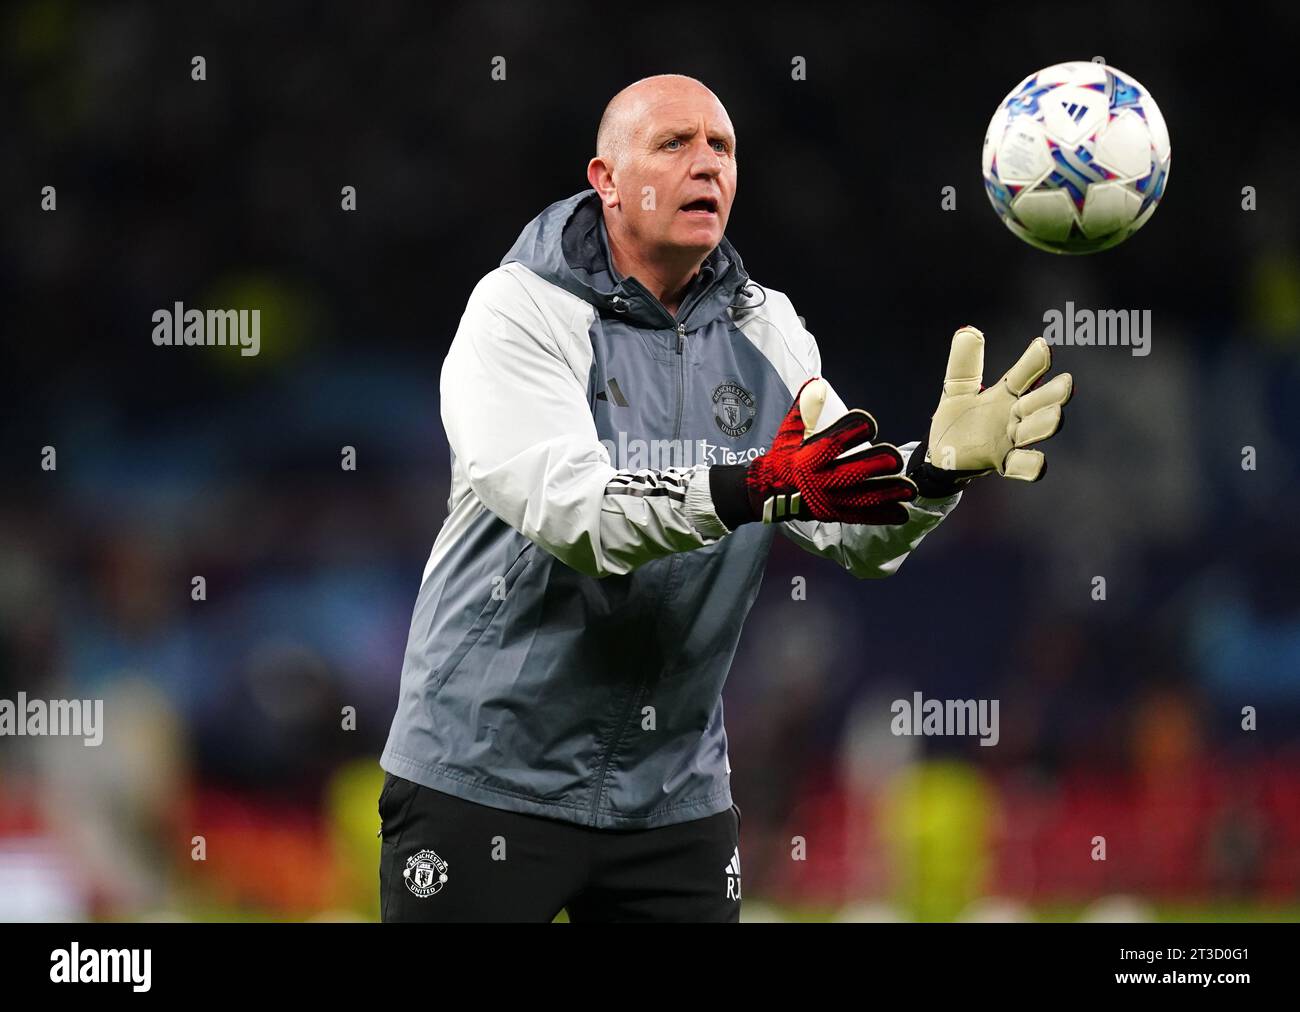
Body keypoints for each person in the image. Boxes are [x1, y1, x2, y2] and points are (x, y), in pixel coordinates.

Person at [378, 74, 1072, 922]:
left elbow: (848, 531)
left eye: (722, 148)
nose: (705, 163)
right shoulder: (519, 312)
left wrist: (935, 474)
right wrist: (755, 487)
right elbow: (577, 515)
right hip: (485, 774)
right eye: (674, 144)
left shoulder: (768, 328)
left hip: (671, 797)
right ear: (605, 179)